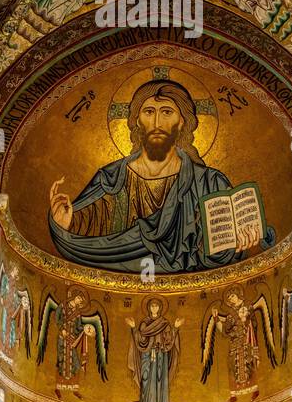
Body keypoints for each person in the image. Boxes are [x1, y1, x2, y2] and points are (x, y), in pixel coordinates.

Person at [48, 78, 262, 272]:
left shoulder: (210, 183)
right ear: (137, 121)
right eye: (149, 112)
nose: (157, 123)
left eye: (167, 112)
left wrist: (238, 246)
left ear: (182, 121)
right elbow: (88, 242)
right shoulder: (110, 180)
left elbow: (211, 258)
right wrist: (64, 225)